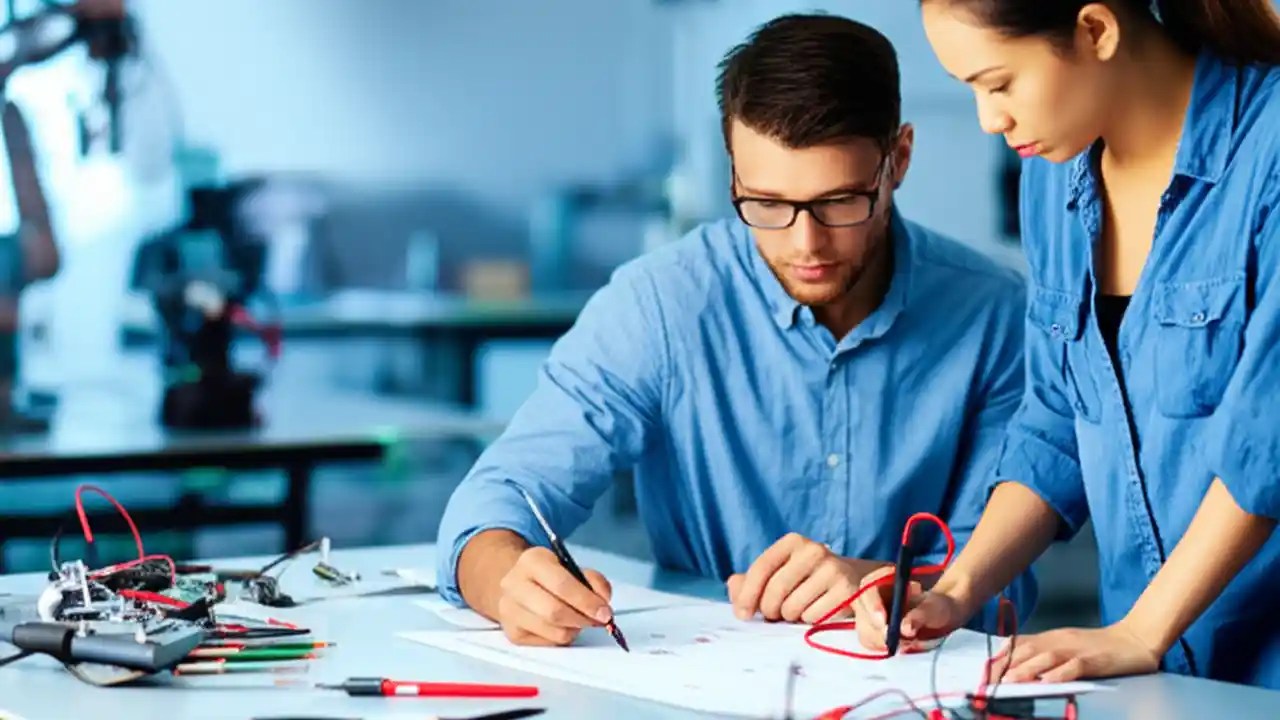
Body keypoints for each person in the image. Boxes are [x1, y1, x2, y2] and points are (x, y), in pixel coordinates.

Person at [435, 13, 1034, 648]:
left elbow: (1004, 593)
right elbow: (494, 504)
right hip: (700, 678)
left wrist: (894, 585)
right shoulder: (660, 304)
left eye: (840, 202)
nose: (807, 243)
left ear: (900, 160)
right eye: (768, 205)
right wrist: (507, 579)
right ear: (733, 179)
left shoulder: (992, 315)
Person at [855, 0, 1280, 689]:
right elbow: (1057, 417)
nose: (988, 120)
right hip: (1150, 680)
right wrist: (954, 590)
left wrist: (1142, 631)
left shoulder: (1270, 148)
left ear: (1095, 30)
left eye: (998, 84)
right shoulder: (1053, 171)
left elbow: (1269, 443)